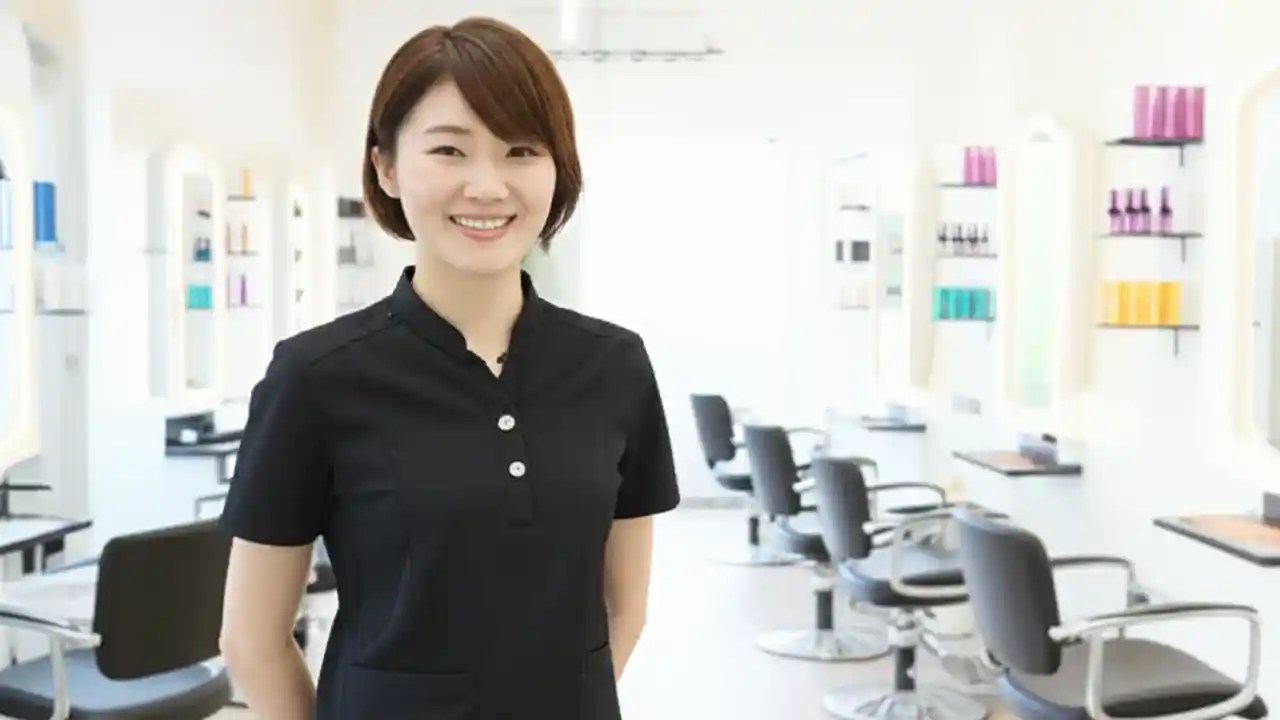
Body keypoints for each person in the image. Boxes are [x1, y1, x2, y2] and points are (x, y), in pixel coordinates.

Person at [217, 16, 681, 720]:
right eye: (450, 151)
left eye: (521, 150)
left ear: (558, 171)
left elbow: (626, 609)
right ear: (386, 167)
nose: (488, 186)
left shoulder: (615, 366)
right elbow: (251, 642)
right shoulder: (316, 377)